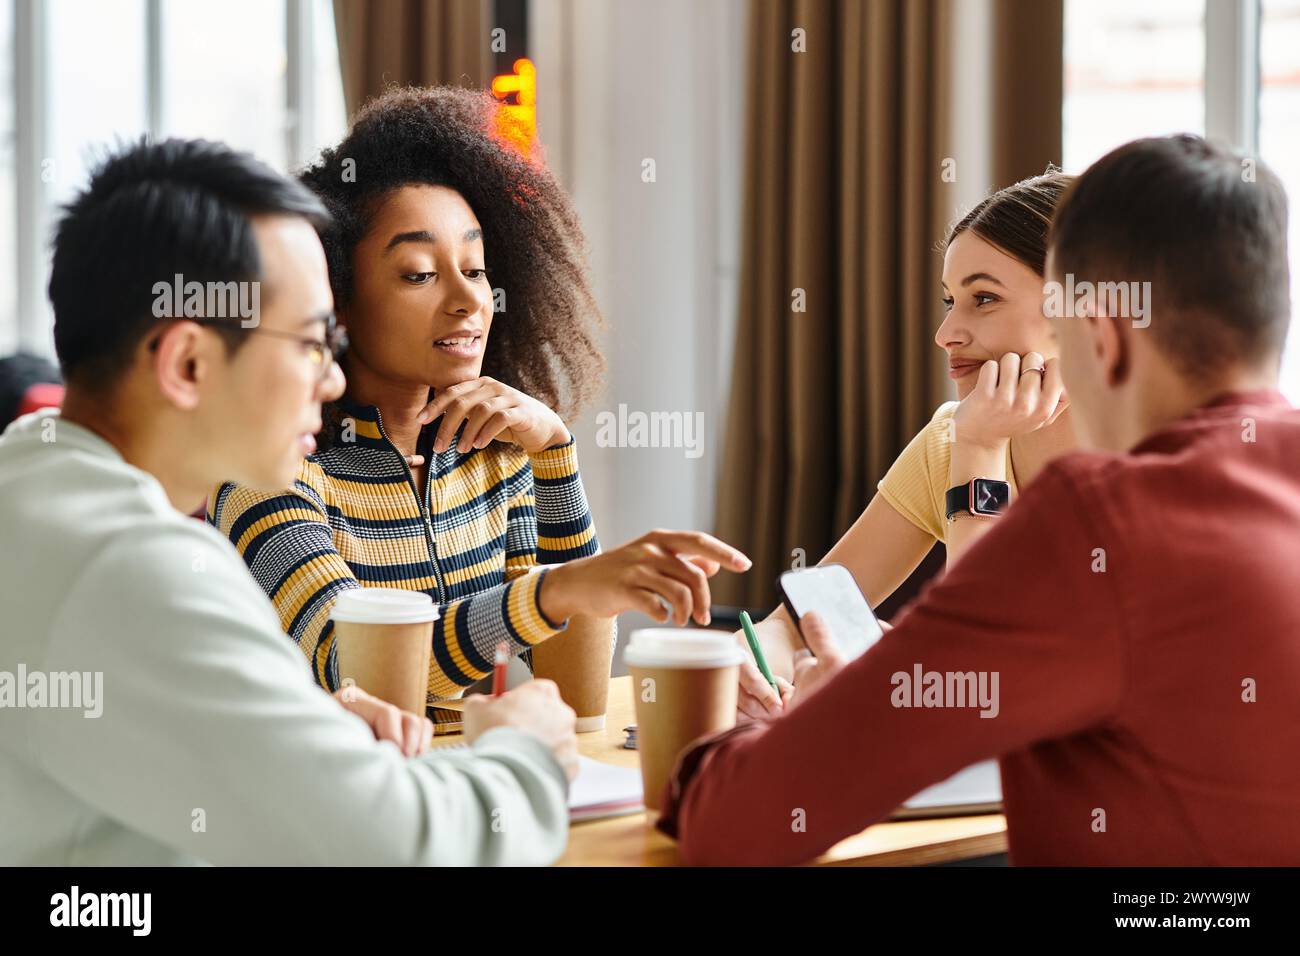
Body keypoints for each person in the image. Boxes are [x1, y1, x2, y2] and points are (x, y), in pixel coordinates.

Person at [0, 137, 731, 865]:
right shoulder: (136, 570)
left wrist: (306, 719)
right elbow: (395, 846)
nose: (331, 379)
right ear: (188, 362)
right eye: (313, 343)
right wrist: (522, 754)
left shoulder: (36, 483)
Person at [659, 134, 1300, 866]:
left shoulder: (1096, 522)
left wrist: (799, 724)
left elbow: (738, 823)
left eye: (987, 300)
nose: (947, 334)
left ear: (1102, 335)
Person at [210, 86, 748, 720]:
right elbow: (350, 669)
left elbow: (578, 696)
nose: (469, 301)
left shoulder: (495, 453)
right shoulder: (270, 470)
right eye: (419, 273)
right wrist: (562, 590)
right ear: (339, 299)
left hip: (464, 788)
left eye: (477, 268)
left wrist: (554, 456)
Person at [738, 173, 1075, 718]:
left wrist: (981, 445)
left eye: (983, 299)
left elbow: (990, 667)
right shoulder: (952, 436)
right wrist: (754, 668)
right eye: (950, 301)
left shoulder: (1155, 462)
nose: (946, 333)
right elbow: (796, 621)